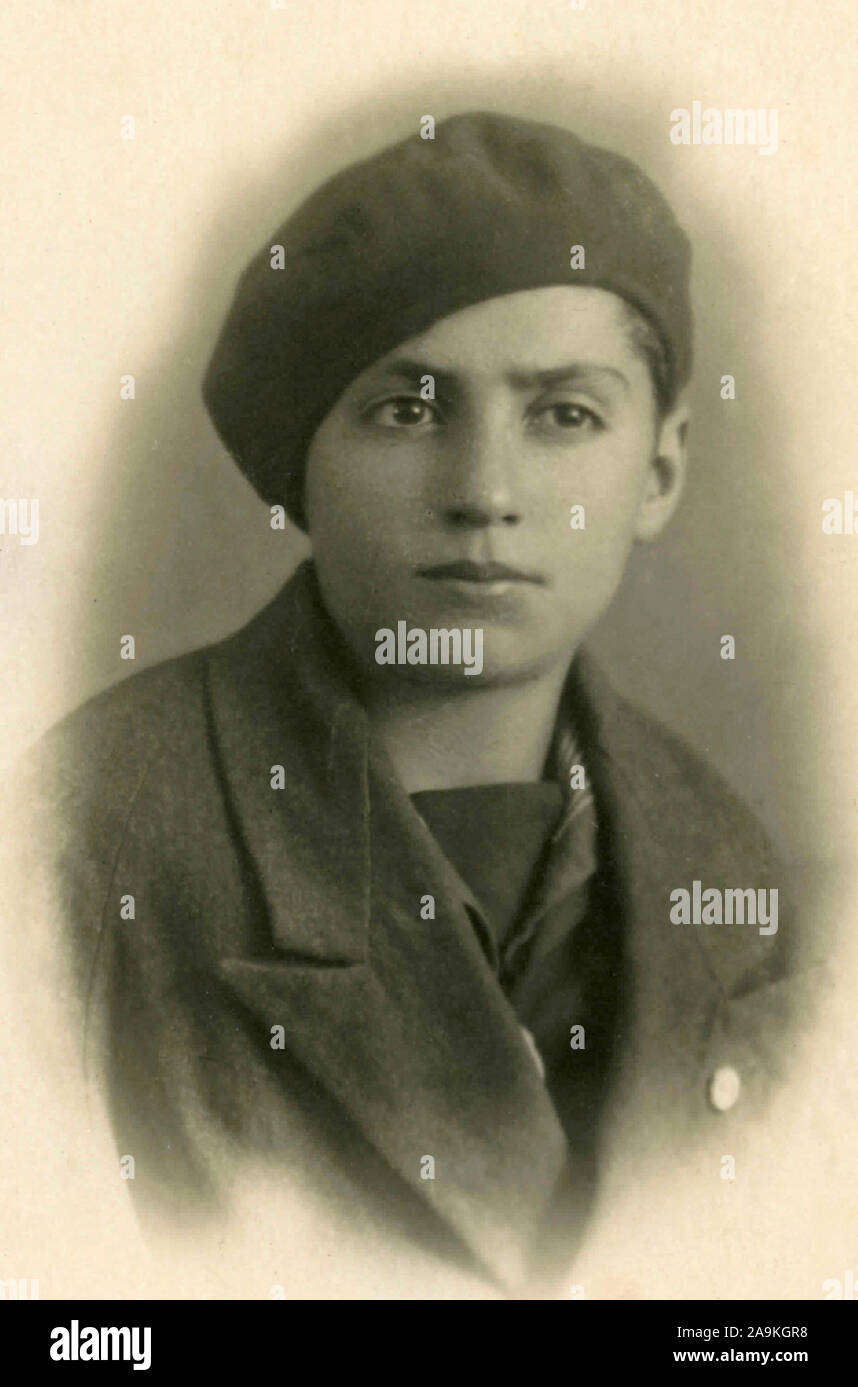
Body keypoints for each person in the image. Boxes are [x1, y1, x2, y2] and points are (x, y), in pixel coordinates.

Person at [21, 112, 799, 1297]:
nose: (484, 492)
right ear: (301, 465)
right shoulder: (76, 846)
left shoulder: (723, 866)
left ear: (659, 469)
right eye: (409, 407)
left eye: (564, 415)